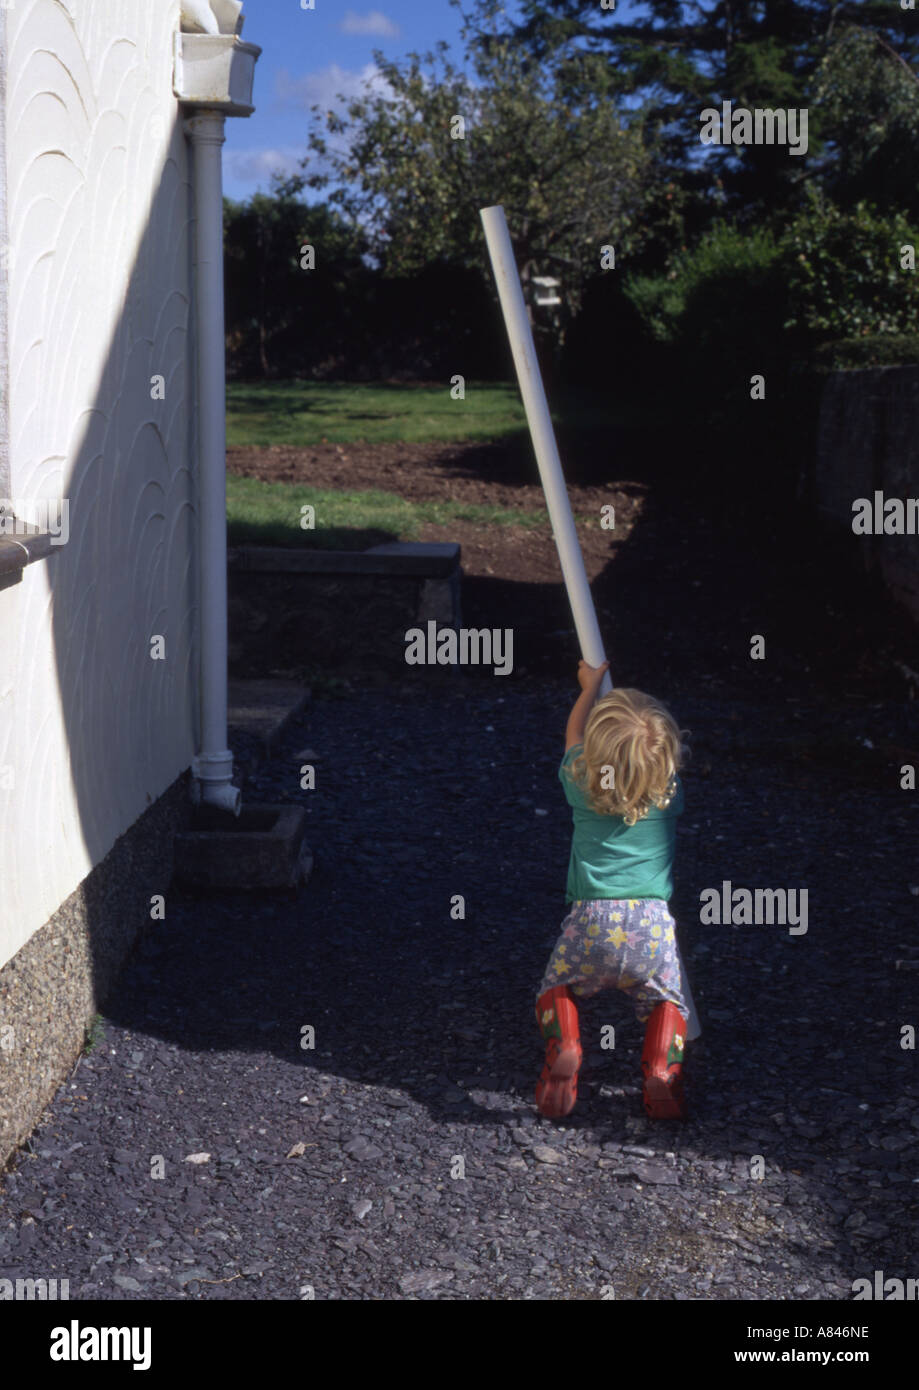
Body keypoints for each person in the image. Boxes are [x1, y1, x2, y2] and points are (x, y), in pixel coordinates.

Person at [534, 660, 691, 1121]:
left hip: (591, 923)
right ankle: (662, 1070)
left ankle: (565, 1043)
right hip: (651, 928)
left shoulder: (581, 783)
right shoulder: (668, 792)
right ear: (665, 760)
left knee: (555, 989)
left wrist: (587, 690)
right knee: (668, 1002)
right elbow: (652, 763)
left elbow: (573, 739)